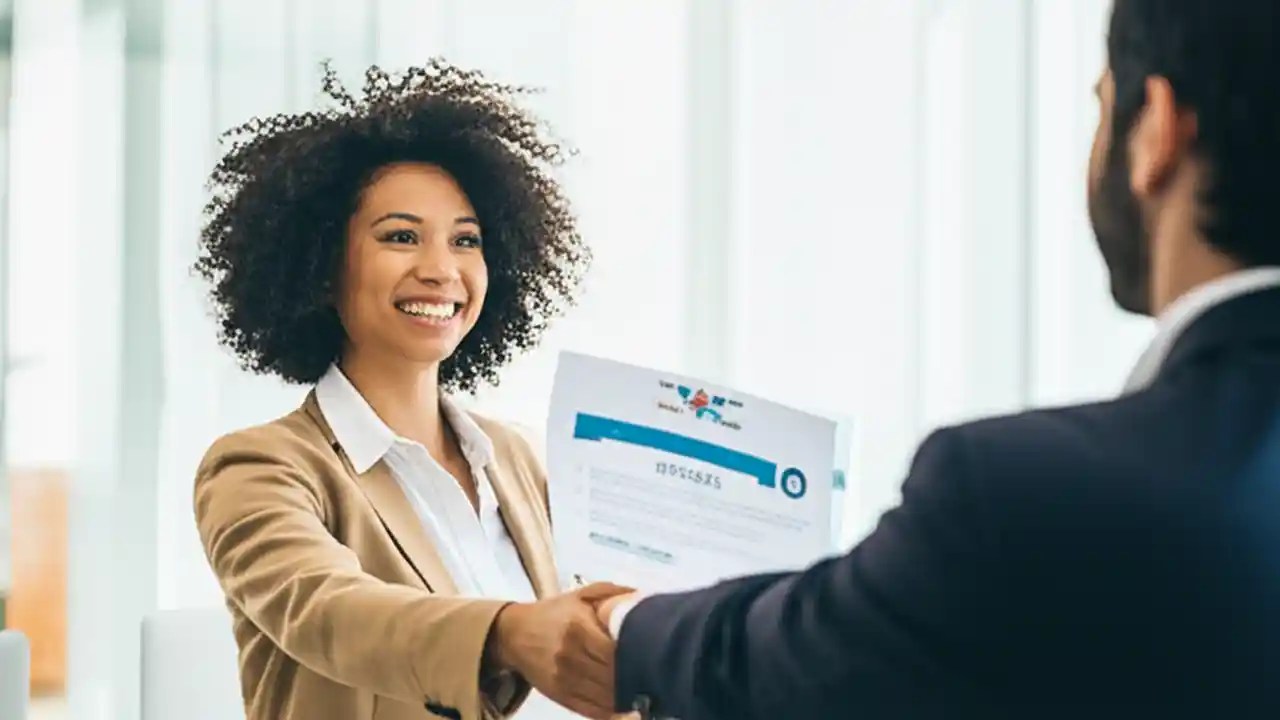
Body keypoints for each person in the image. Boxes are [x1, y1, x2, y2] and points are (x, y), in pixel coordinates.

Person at [599, 0, 1280, 717]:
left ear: (1157, 132)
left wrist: (624, 625)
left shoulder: (1023, 495)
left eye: (1104, 107)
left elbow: (794, 659)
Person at [194, 60, 628, 720]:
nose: (440, 270)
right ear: (319, 265)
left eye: (466, 240)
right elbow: (330, 611)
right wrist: (509, 632)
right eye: (400, 237)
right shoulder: (260, 468)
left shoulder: (523, 461)